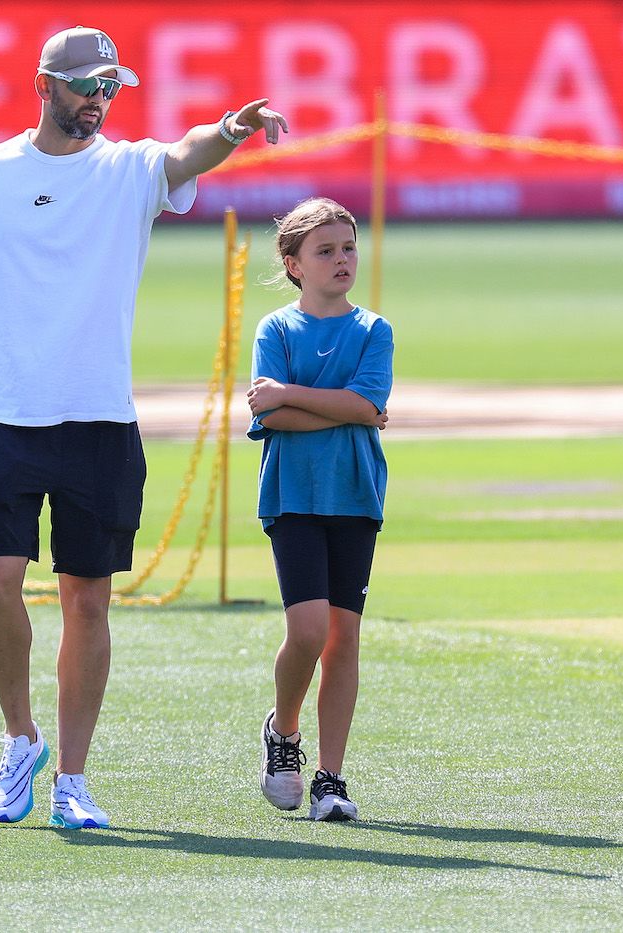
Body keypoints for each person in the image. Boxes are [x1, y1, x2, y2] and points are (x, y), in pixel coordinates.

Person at [0, 25, 288, 830]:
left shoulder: (128, 168)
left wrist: (232, 130)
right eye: (84, 87)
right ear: (44, 85)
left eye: (109, 87)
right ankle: (19, 739)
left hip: (100, 420)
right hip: (6, 417)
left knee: (88, 603)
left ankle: (73, 777)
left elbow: (185, 154)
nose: (98, 101)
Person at [246, 197, 393, 822]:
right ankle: (284, 733)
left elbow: (368, 405)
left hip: (355, 494)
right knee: (308, 631)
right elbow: (266, 413)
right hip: (293, 495)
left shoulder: (373, 330)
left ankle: (330, 777)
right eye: (325, 250)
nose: (342, 259)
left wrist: (293, 398)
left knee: (344, 638)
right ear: (294, 264)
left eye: (348, 247)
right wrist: (336, 406)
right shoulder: (275, 331)